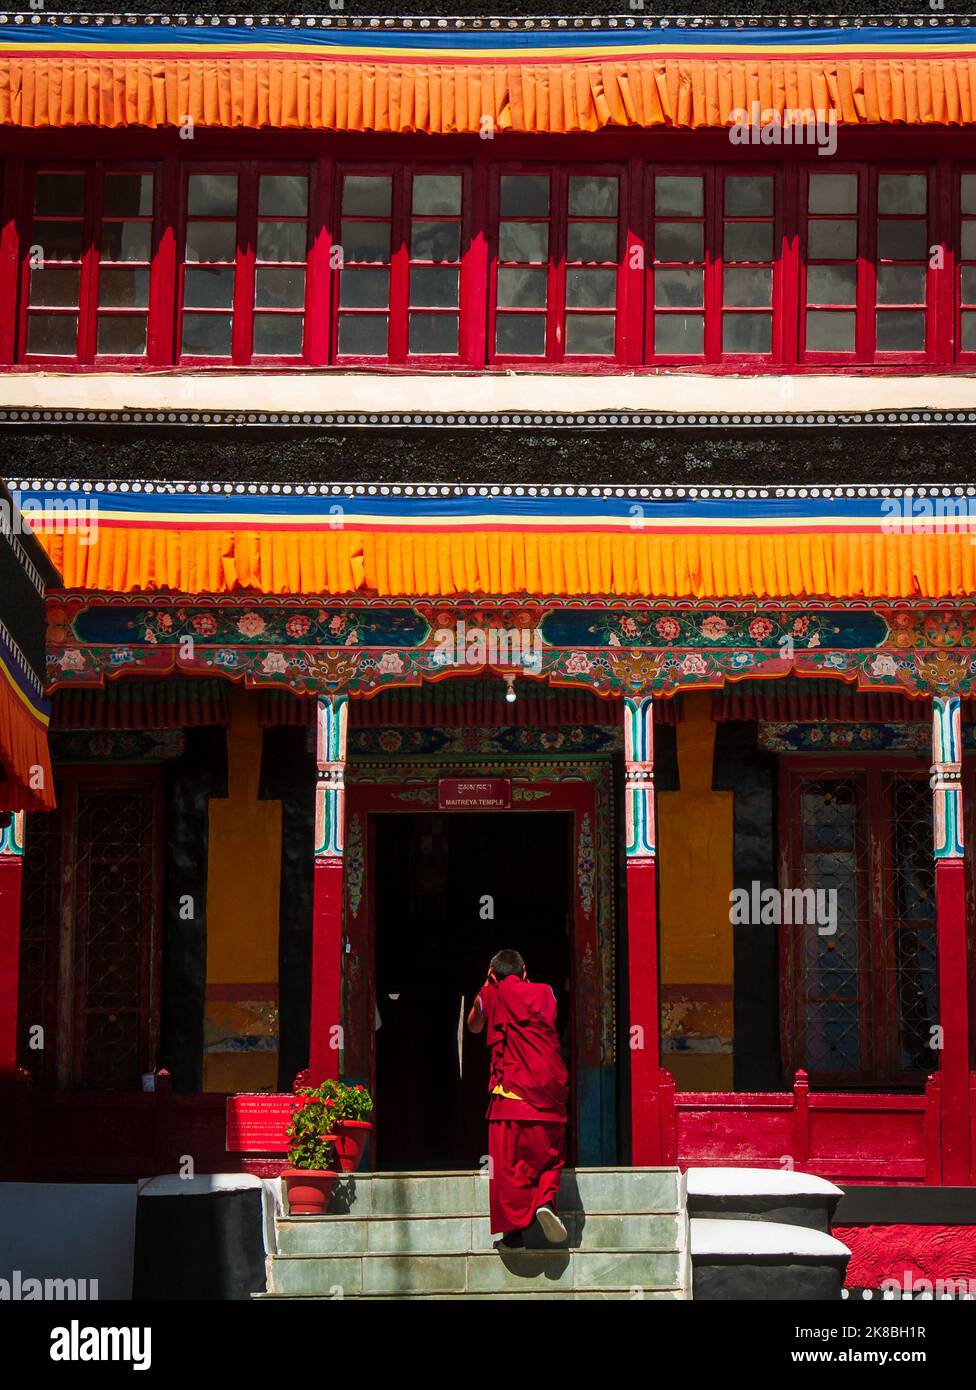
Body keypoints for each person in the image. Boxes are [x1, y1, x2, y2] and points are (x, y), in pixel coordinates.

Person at [466, 948, 569, 1248]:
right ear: (525, 971)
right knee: (549, 1157)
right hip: (547, 1099)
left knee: (509, 1168)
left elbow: (474, 1026)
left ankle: (513, 1236)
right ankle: (546, 1202)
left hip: (509, 1099)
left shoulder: (489, 996)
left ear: (491, 975)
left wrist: (487, 989)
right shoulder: (547, 993)